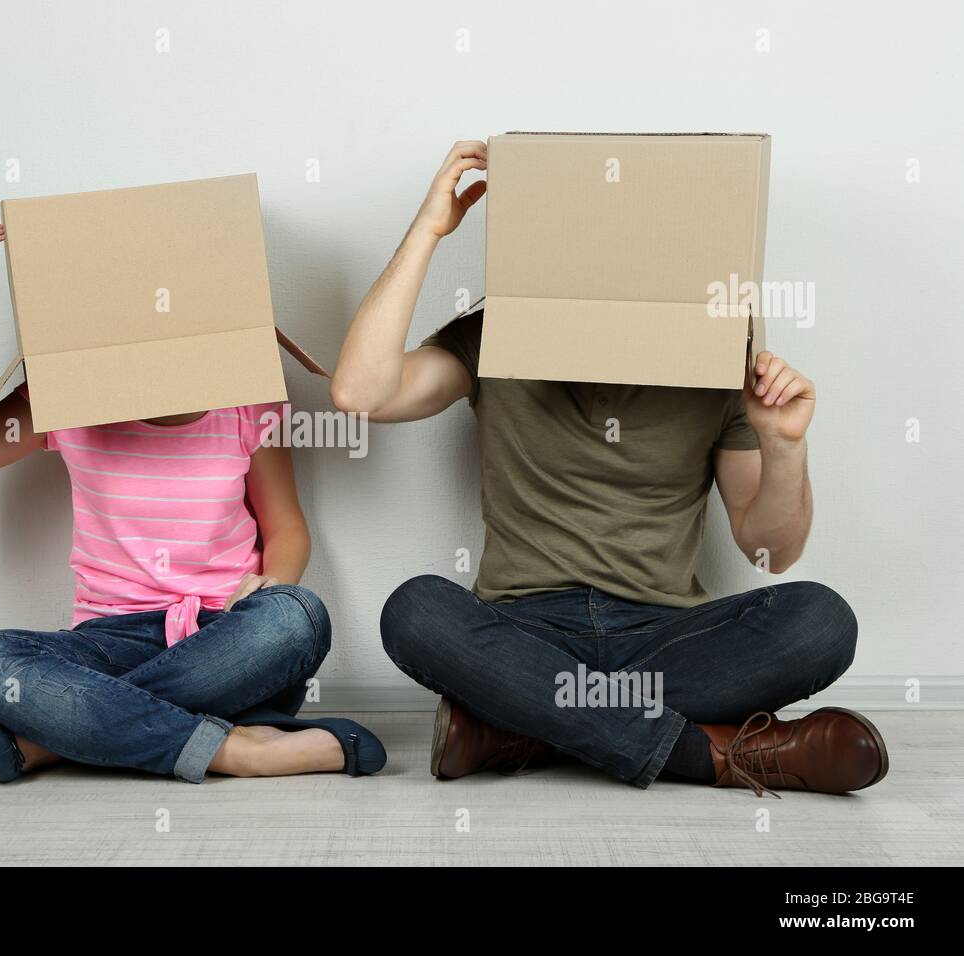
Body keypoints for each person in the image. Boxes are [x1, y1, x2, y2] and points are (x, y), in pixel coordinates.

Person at [330, 142, 885, 797]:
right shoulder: (493, 337)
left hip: (664, 638)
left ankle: (529, 725)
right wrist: (428, 229)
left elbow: (772, 550)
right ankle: (713, 754)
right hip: (524, 631)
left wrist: (784, 443)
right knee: (416, 611)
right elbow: (357, 394)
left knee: (822, 620)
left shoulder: (717, 362)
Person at [0, 218, 385, 784]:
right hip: (108, 639)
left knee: (298, 616)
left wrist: (271, 583)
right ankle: (239, 750)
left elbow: (287, 528)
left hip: (227, 637)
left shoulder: (244, 398)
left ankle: (61, 735)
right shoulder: (67, 397)